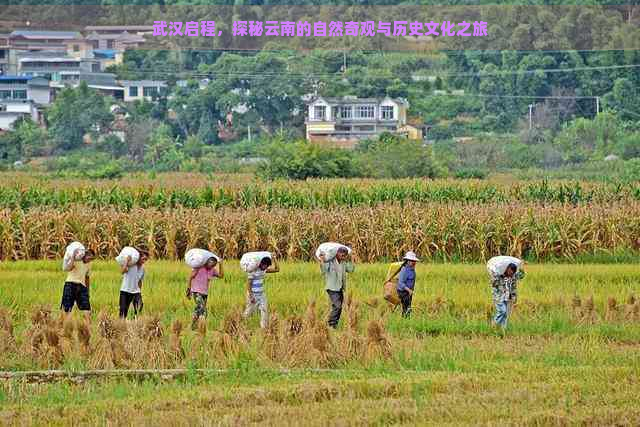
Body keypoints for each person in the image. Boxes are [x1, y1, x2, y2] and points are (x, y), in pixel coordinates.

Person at [319, 247, 355, 329]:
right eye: (342, 255)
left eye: (345, 256)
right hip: (331, 288)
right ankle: (330, 324)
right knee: (337, 306)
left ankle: (334, 325)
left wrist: (352, 259)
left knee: (339, 307)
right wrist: (322, 260)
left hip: (340, 288)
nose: (343, 257)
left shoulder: (344, 263)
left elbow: (351, 270)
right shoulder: (330, 261)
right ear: (337, 253)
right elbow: (323, 270)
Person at [187, 256, 224, 330]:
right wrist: (188, 290)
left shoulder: (212, 270)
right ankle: (202, 328)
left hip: (205, 293)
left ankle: (192, 327)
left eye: (214, 265)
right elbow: (190, 277)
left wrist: (221, 264)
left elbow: (221, 276)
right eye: (211, 264)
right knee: (203, 310)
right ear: (207, 262)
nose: (212, 266)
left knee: (197, 310)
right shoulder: (199, 267)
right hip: (196, 292)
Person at [243, 256, 279, 329]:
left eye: (267, 266)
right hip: (253, 294)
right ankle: (240, 323)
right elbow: (248, 285)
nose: (266, 267)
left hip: (261, 294)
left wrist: (274, 259)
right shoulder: (252, 270)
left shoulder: (264, 270)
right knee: (249, 311)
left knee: (264, 310)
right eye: (265, 265)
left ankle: (264, 328)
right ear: (261, 264)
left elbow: (277, 269)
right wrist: (251, 296)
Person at [61, 248, 95, 321]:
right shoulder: (76, 259)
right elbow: (67, 268)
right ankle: (63, 327)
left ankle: (87, 328)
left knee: (87, 310)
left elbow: (87, 277)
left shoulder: (89, 264)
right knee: (66, 309)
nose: (90, 260)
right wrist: (73, 257)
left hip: (82, 287)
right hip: (70, 284)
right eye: (90, 258)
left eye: (92, 259)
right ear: (86, 254)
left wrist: (87, 291)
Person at [490, 262, 525, 330]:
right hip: (498, 297)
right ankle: (494, 325)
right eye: (510, 271)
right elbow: (493, 284)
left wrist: (521, 267)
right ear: (507, 269)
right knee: (502, 311)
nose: (510, 273)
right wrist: (495, 275)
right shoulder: (499, 275)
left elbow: (521, 276)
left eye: (512, 272)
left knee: (506, 314)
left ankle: (503, 329)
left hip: (508, 297)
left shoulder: (513, 277)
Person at [119, 250, 148, 319]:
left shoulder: (143, 269)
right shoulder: (131, 265)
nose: (144, 261)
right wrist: (126, 261)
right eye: (143, 259)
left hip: (136, 292)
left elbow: (140, 281)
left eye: (146, 260)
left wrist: (140, 291)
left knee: (139, 306)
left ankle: (135, 322)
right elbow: (122, 271)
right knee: (123, 310)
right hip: (125, 290)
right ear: (138, 258)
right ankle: (121, 325)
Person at [396, 251, 420, 318]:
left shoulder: (412, 270)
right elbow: (400, 283)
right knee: (406, 308)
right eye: (412, 261)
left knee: (408, 307)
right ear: (408, 261)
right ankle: (405, 320)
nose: (414, 263)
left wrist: (411, 290)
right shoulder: (404, 270)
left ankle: (406, 320)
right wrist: (408, 290)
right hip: (403, 292)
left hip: (409, 292)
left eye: (414, 261)